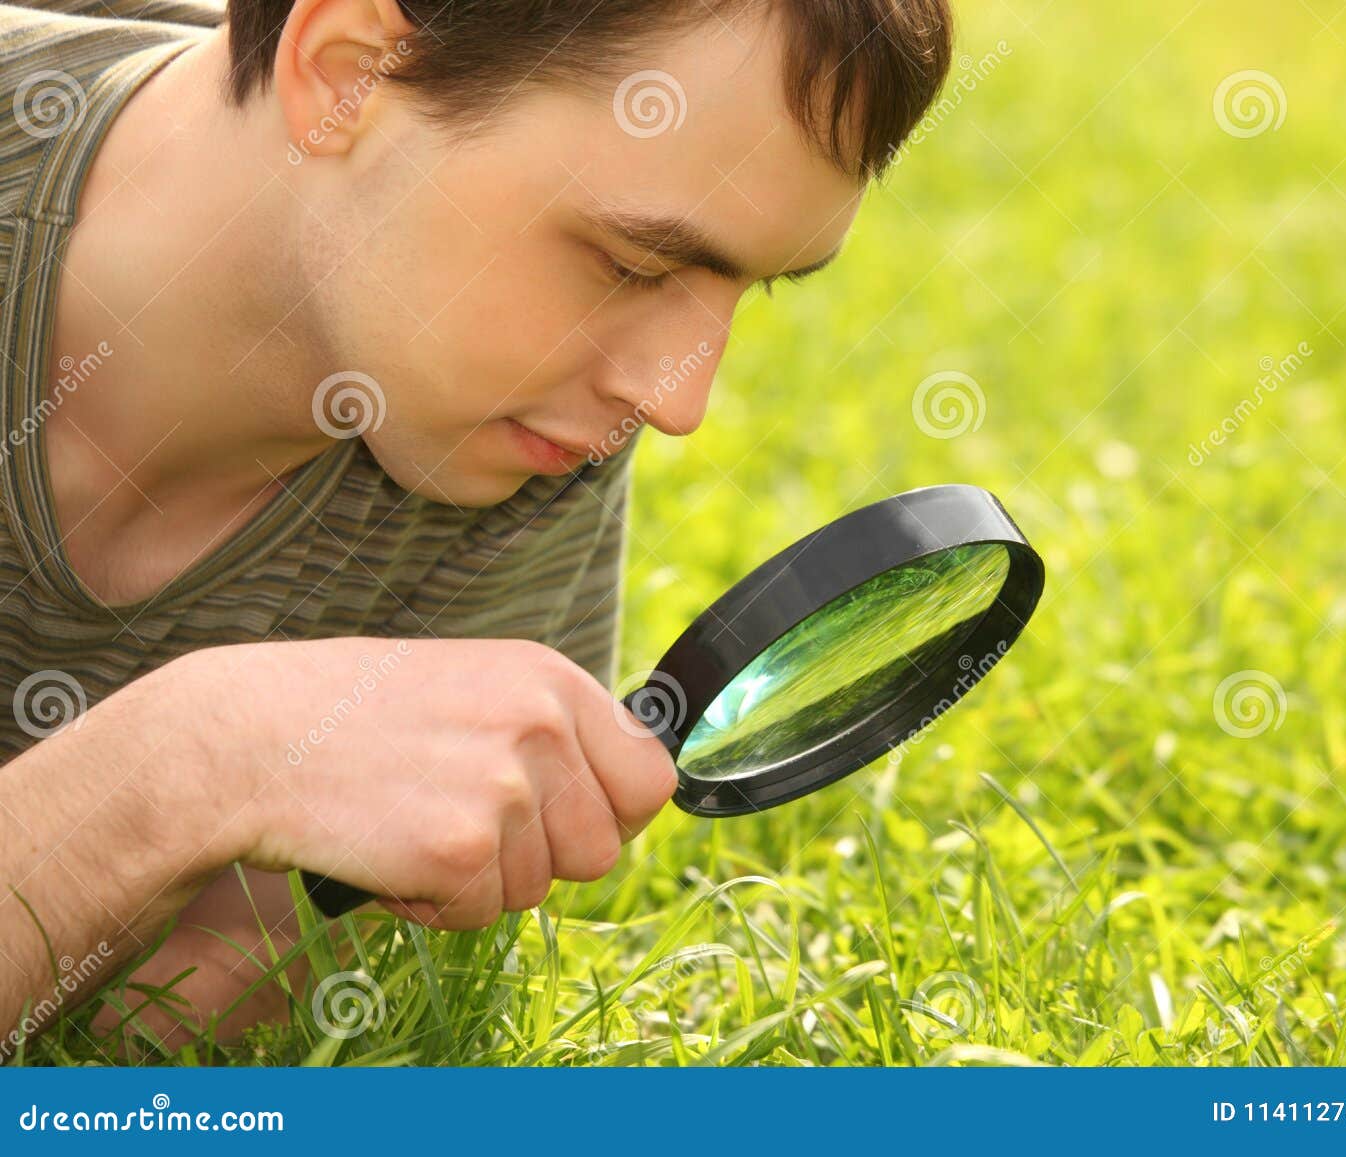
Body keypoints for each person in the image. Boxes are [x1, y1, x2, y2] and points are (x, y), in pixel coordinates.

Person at [0, 0, 953, 1048]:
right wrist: (196, 758)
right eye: (632, 265)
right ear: (349, 71)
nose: (676, 401)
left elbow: (143, 1045)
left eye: (750, 288)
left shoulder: (502, 438)